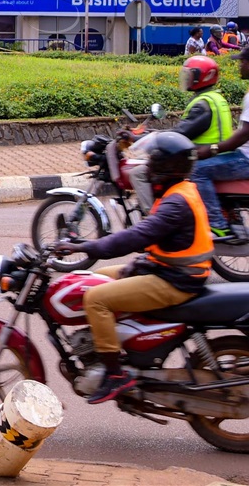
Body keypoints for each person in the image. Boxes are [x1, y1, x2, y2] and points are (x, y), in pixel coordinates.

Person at [56, 131, 212, 405]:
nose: (147, 166)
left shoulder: (175, 204)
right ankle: (119, 345)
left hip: (177, 280)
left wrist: (86, 247)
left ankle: (116, 374)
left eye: (153, 161)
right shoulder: (178, 191)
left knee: (96, 299)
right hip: (165, 268)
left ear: (167, 167)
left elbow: (136, 237)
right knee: (93, 278)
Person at [190, 45, 249, 245]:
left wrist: (211, 150)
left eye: (242, 62)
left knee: (197, 170)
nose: (239, 66)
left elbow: (244, 135)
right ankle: (229, 215)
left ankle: (217, 225)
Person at [128, 56, 232, 212]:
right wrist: (152, 133)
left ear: (202, 77)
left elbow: (180, 134)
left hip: (201, 157)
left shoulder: (202, 105)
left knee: (139, 173)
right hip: (215, 154)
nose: (187, 79)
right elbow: (182, 130)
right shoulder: (215, 98)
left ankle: (153, 218)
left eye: (190, 75)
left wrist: (141, 138)